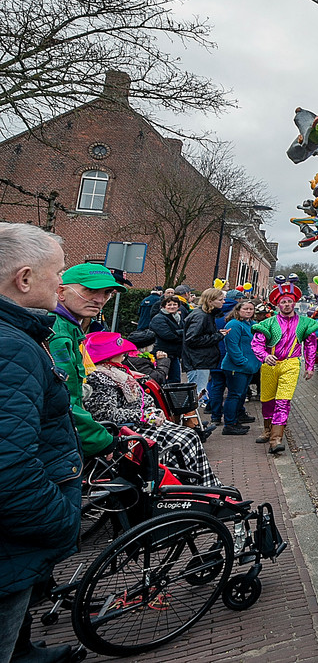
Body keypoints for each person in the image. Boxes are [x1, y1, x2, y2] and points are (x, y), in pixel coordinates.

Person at [0, 224, 81, 663]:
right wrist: (62, 521)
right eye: (59, 272)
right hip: (12, 539)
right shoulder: (12, 348)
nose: (62, 283)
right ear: (25, 278)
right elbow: (9, 470)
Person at [81, 332, 222, 487]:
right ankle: (185, 484)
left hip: (137, 423)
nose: (124, 355)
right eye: (120, 352)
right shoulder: (99, 378)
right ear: (110, 356)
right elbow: (106, 414)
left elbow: (141, 398)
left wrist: (151, 409)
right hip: (126, 429)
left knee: (190, 436)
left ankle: (204, 484)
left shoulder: (117, 371)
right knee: (184, 439)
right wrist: (144, 415)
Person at [48, 264, 121, 460]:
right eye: (90, 290)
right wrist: (101, 441)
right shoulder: (59, 332)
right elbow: (64, 399)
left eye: (106, 293)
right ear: (61, 292)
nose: (99, 300)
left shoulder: (69, 326)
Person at [251, 283, 318, 454]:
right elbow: (256, 344)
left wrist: (309, 366)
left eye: (289, 301)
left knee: (283, 401)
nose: (286, 305)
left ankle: (276, 439)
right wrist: (265, 356)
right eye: (283, 302)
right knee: (267, 400)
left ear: (294, 303)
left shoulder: (304, 323)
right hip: (269, 365)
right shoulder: (268, 323)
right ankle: (268, 430)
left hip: (291, 364)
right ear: (278, 304)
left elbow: (311, 345)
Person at [219, 300, 262, 436]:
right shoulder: (234, 324)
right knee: (234, 395)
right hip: (236, 367)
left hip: (249, 368)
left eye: (251, 309)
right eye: (245, 309)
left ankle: (237, 418)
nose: (248, 311)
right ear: (238, 310)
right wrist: (243, 362)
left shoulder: (252, 324)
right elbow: (232, 347)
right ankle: (229, 424)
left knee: (241, 394)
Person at [181, 287, 226, 404]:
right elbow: (192, 339)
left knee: (197, 393)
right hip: (198, 361)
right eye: (220, 299)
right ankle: (190, 415)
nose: (223, 302)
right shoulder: (201, 316)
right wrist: (217, 336)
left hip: (200, 360)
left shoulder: (205, 315)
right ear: (210, 301)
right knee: (197, 394)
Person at [147, 294, 186, 382]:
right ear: (164, 306)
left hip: (174, 354)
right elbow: (167, 335)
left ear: (178, 306)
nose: (172, 307)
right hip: (162, 353)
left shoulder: (178, 318)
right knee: (162, 379)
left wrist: (178, 332)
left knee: (175, 380)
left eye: (174, 304)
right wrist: (182, 335)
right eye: (169, 305)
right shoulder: (158, 318)